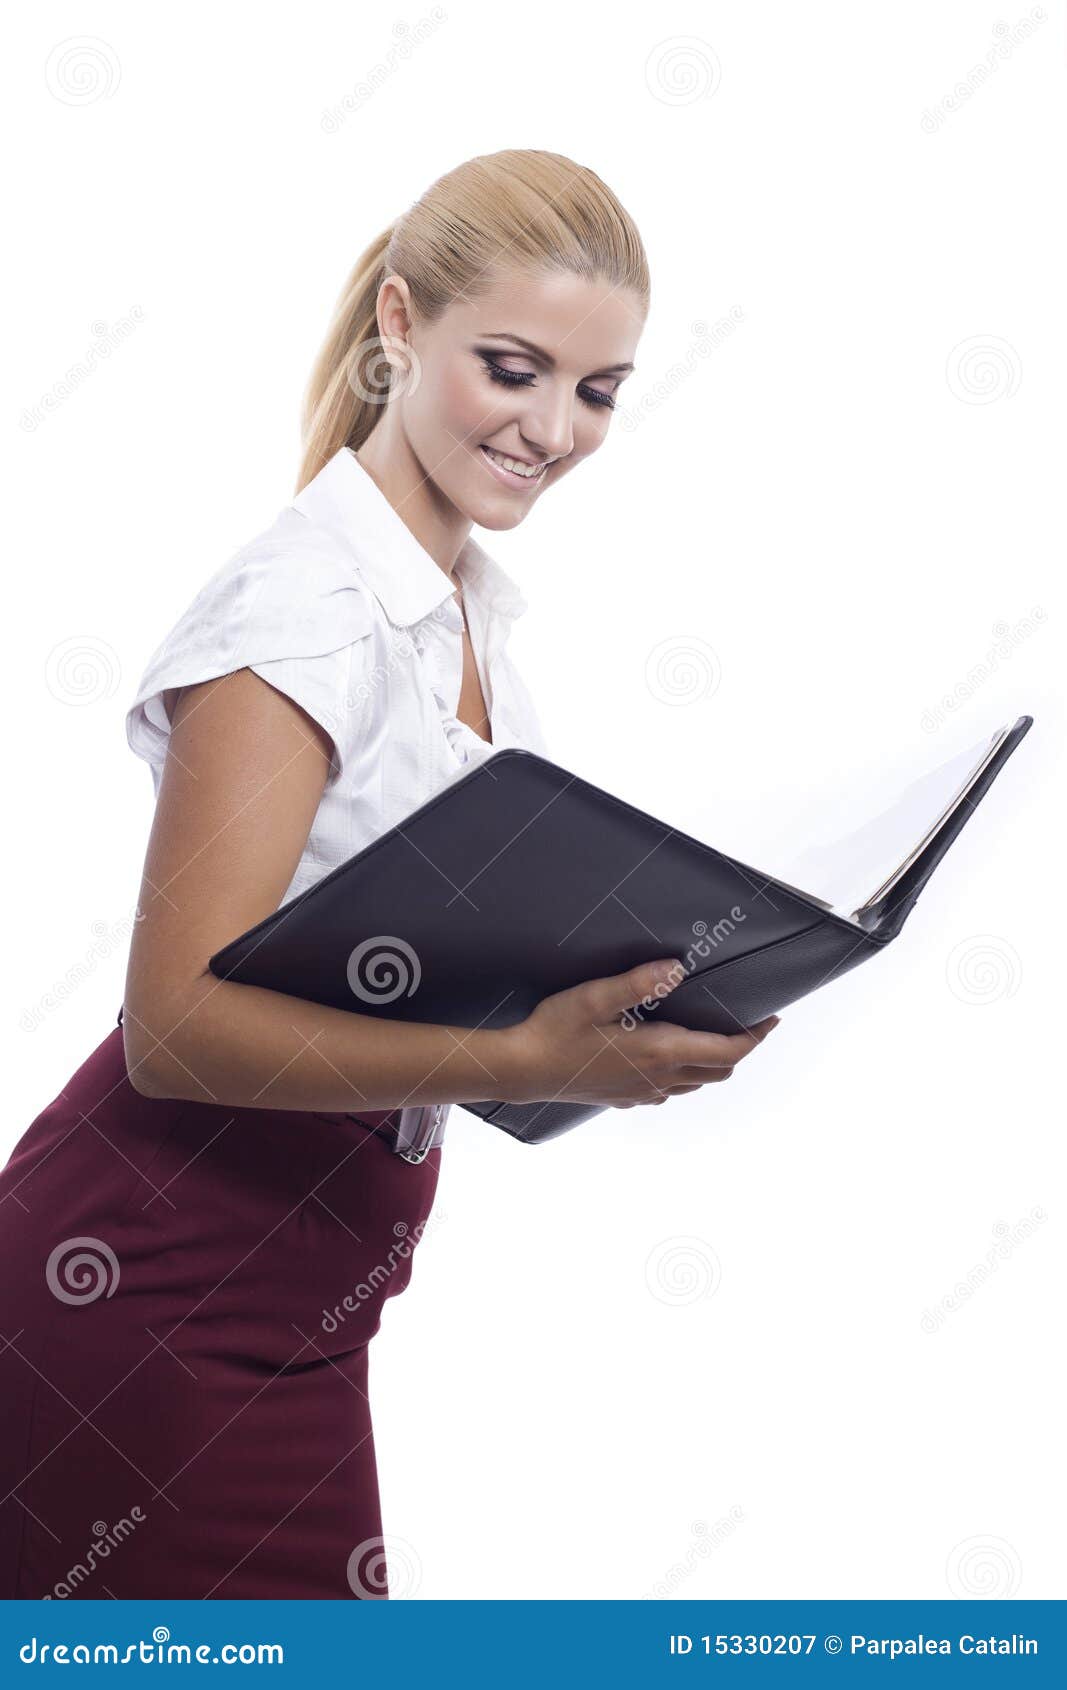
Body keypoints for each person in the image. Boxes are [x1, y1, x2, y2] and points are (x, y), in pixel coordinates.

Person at [0, 148, 779, 1601]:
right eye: (515, 368)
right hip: (147, 1301)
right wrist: (516, 1048)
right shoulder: (304, 611)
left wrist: (611, 1037)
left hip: (305, 1305)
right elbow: (171, 1030)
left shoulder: (470, 626)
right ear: (402, 325)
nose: (554, 427)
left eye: (598, 390)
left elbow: (409, 1001)